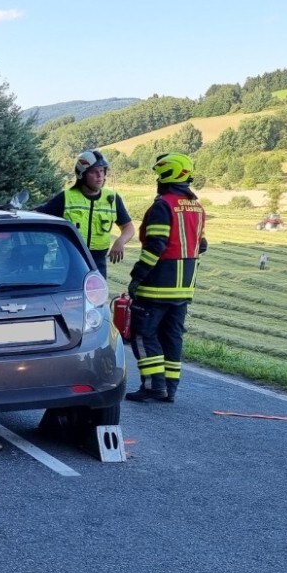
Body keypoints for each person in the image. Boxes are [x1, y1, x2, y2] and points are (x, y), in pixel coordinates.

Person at [124, 152, 208, 403]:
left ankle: (153, 386)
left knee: (142, 334)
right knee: (172, 337)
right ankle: (170, 389)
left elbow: (155, 246)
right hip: (184, 288)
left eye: (159, 175)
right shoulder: (197, 207)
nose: (157, 180)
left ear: (166, 176)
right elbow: (201, 245)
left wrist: (137, 276)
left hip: (157, 286)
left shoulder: (163, 205)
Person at [36, 149, 134, 278]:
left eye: (102, 171)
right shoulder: (66, 197)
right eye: (94, 172)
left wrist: (120, 242)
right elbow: (38, 215)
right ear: (82, 174)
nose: (100, 176)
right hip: (69, 264)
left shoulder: (113, 199)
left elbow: (129, 227)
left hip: (97, 265)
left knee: (97, 298)